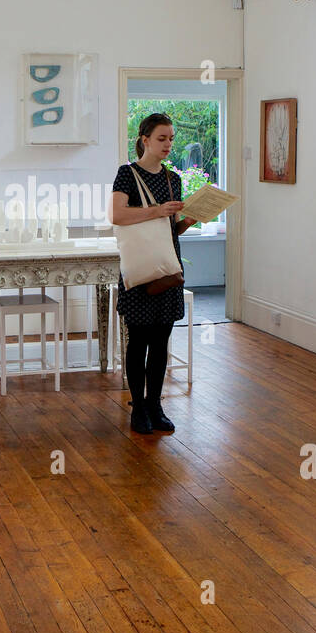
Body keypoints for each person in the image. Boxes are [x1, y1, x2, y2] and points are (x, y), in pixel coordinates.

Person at [109, 113, 196, 434]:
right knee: (139, 341)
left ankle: (156, 405)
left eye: (171, 138)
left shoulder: (174, 179)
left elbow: (169, 232)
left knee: (161, 341)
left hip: (168, 269)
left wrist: (188, 221)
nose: (168, 144)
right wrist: (157, 211)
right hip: (141, 269)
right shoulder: (127, 174)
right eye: (162, 138)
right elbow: (117, 215)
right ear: (145, 139)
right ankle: (138, 407)